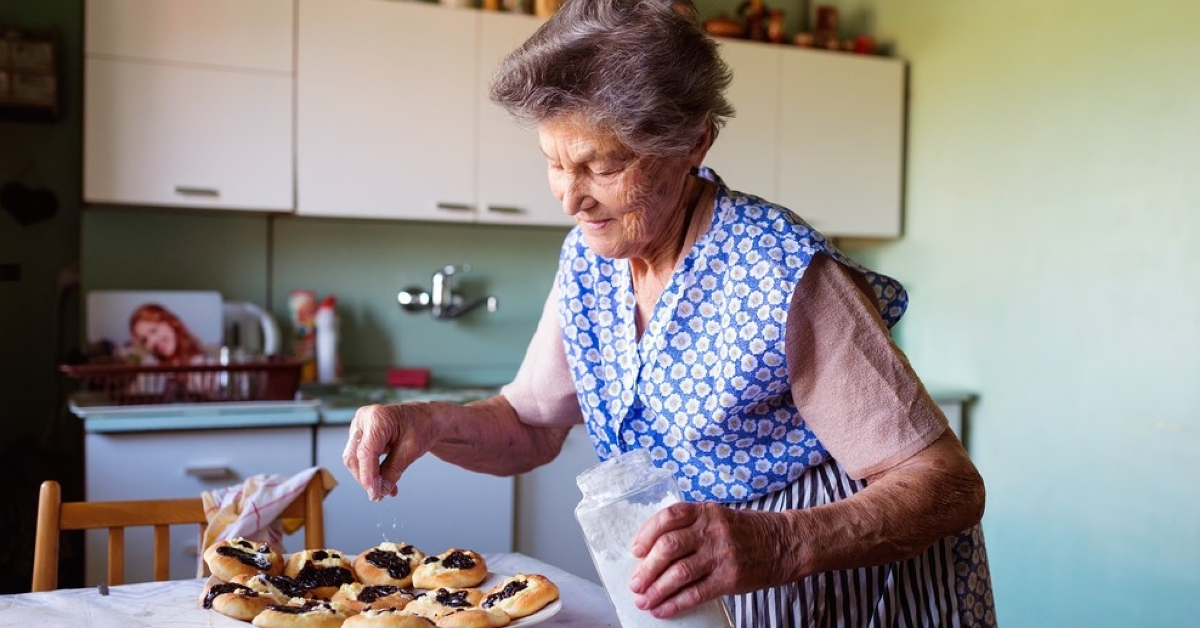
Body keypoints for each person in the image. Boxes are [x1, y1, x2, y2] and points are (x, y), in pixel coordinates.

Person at [342, 0, 997, 626]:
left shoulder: (781, 272)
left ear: (693, 142)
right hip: (717, 602)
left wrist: (780, 544)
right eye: (554, 162)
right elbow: (528, 423)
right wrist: (427, 423)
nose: (572, 198)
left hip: (849, 602)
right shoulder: (589, 259)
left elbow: (946, 485)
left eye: (603, 165)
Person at [128, 303, 206, 366]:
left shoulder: (202, 364)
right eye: (145, 340)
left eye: (154, 331)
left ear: (171, 323)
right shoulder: (151, 365)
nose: (151, 343)